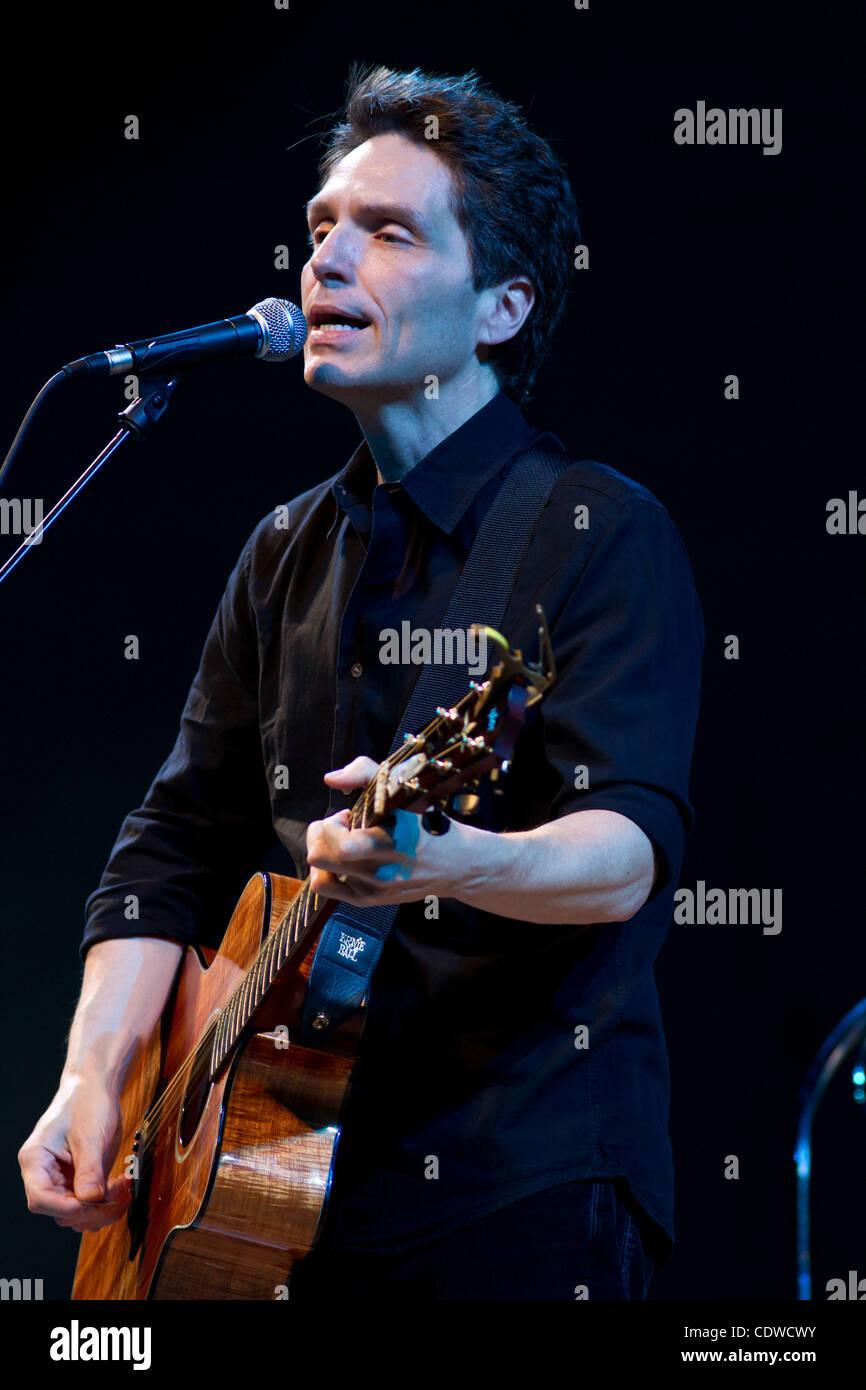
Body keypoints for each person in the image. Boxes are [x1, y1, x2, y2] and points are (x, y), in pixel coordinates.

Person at [18, 63, 704, 1301]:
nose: (325, 261)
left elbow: (628, 849)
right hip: (270, 1203)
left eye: (387, 233)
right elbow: (169, 846)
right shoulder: (284, 548)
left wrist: (450, 859)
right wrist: (96, 1079)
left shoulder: (596, 530)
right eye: (323, 228)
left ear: (501, 306)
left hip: (513, 1188)